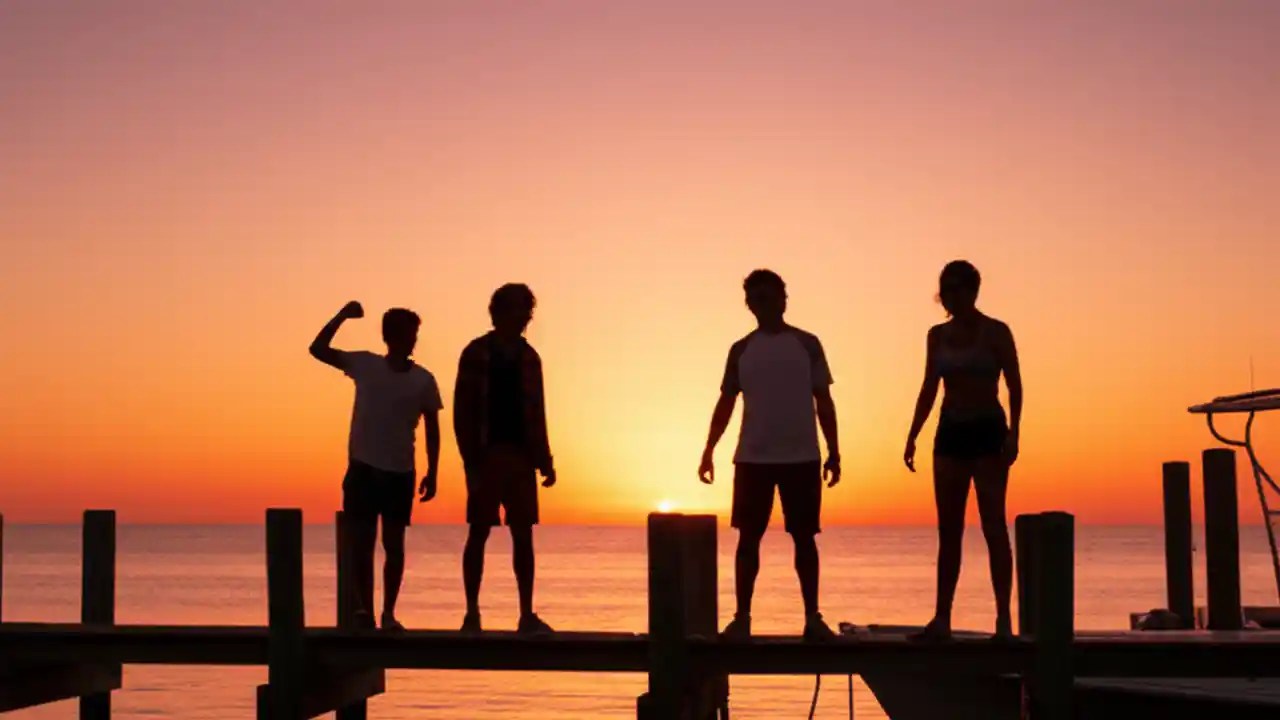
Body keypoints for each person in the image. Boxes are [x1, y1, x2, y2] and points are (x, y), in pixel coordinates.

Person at [699, 269, 842, 642]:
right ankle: (742, 618)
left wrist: (834, 450)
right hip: (753, 458)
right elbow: (726, 402)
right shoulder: (740, 350)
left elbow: (824, 400)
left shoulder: (807, 344)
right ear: (749, 304)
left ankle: (812, 618)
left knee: (805, 538)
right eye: (756, 299)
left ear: (783, 299)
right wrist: (709, 449)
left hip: (802, 457)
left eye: (770, 297)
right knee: (748, 539)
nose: (763, 304)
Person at [904, 260, 1022, 641]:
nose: (951, 296)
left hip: (988, 432)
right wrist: (913, 434)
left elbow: (1015, 385)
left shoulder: (996, 332)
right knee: (949, 530)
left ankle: (1003, 620)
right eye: (946, 290)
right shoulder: (937, 336)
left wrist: (1015, 434)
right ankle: (942, 618)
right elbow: (929, 386)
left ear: (973, 290)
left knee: (993, 525)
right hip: (950, 434)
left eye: (958, 288)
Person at [309, 301, 442, 631]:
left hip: (400, 472)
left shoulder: (423, 380)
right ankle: (363, 611)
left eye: (413, 334)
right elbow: (318, 349)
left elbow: (433, 428)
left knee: (394, 546)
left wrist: (433, 472)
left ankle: (388, 613)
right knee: (362, 543)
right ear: (388, 336)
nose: (410, 339)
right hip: (364, 468)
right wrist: (342, 315)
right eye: (404, 333)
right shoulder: (365, 364)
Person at [454, 284, 557, 636]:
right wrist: (471, 461)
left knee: (523, 535)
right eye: (518, 308)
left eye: (527, 310)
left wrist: (544, 459)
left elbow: (538, 411)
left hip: (521, 457)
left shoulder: (530, 358)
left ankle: (526, 614)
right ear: (498, 311)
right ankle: (472, 613)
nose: (524, 316)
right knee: (479, 531)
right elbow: (462, 410)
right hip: (486, 455)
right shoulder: (475, 353)